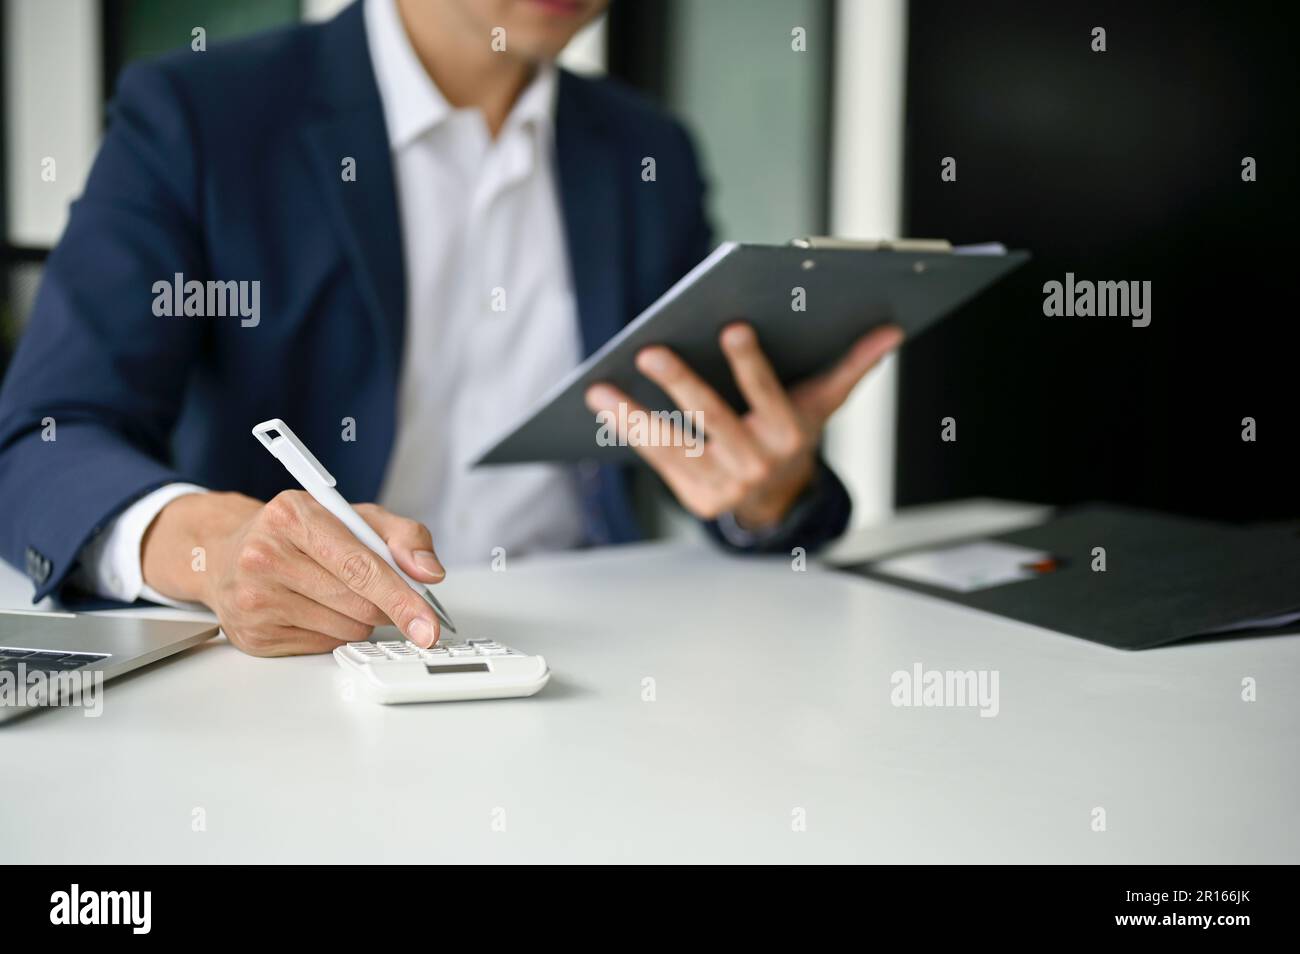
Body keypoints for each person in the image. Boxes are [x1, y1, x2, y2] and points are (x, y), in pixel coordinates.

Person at [0, 0, 900, 656]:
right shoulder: (198, 117)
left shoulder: (645, 151)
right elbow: (41, 442)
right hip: (308, 673)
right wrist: (212, 546)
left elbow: (704, 426)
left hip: (598, 655)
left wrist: (765, 492)